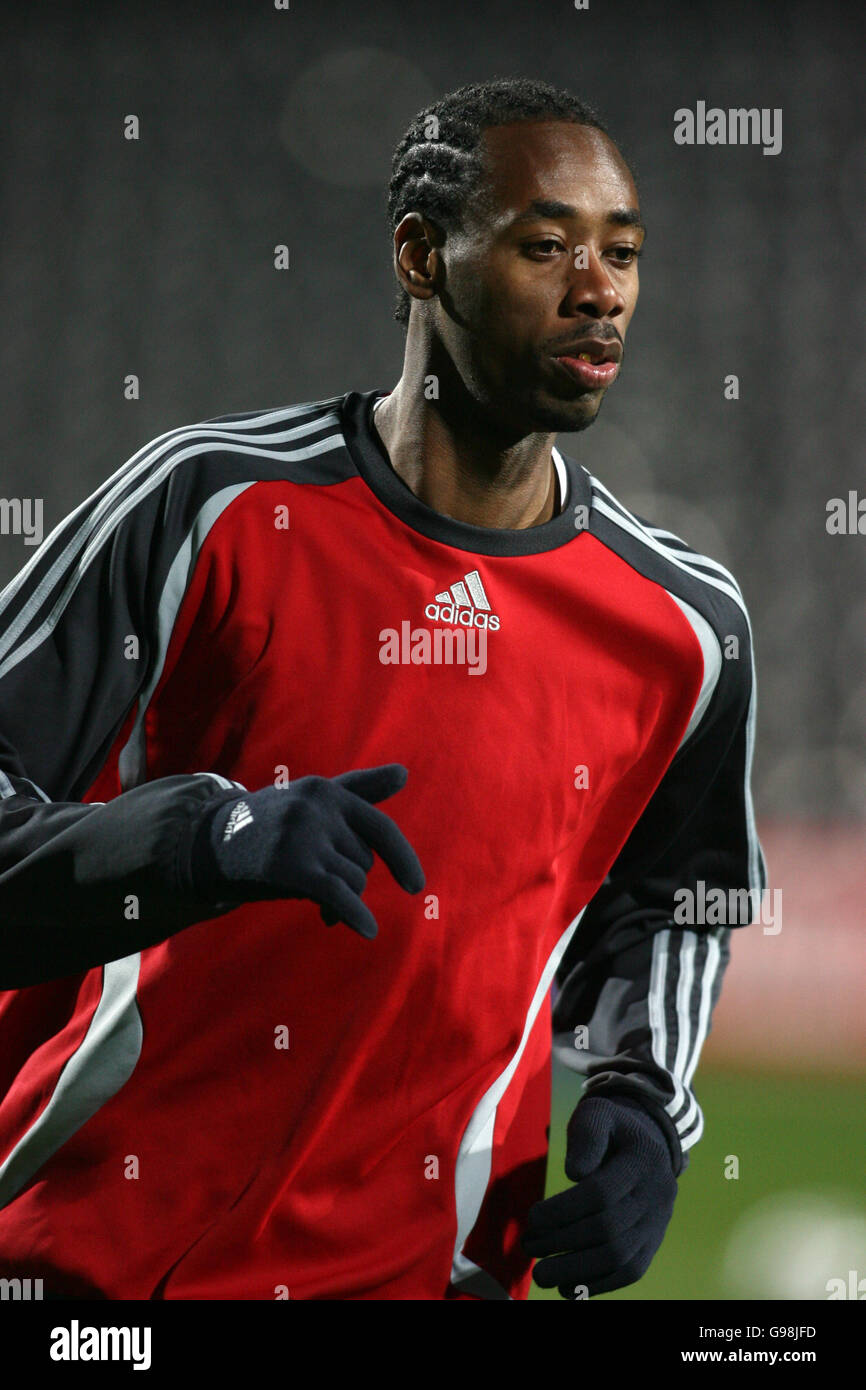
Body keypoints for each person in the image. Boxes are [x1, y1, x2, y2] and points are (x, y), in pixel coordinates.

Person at [0, 77, 766, 1301]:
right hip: (104, 1269)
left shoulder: (680, 628)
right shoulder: (209, 507)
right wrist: (201, 836)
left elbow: (681, 898)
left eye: (621, 253)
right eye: (544, 246)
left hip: (432, 1276)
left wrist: (640, 1095)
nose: (598, 289)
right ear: (420, 256)